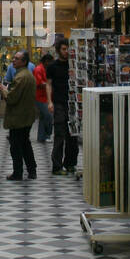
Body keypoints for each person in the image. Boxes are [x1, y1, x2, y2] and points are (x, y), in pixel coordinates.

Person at [2, 49, 37, 180]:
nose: (13, 60)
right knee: (25, 143)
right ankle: (32, 170)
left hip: (18, 117)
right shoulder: (26, 75)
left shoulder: (21, 77)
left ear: (24, 62)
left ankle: (18, 172)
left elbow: (12, 98)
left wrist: (4, 90)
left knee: (16, 146)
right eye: (14, 58)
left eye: (16, 59)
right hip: (25, 116)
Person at [47, 38, 78, 175]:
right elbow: (48, 84)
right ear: (59, 50)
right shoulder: (53, 66)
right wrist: (50, 102)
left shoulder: (73, 65)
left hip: (72, 103)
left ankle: (70, 163)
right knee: (59, 135)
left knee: (73, 136)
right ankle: (57, 166)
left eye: (68, 49)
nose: (66, 52)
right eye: (64, 49)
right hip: (59, 103)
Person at [35, 51, 54, 143]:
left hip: (46, 97)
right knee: (48, 116)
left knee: (43, 117)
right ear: (46, 61)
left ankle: (41, 137)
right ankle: (47, 134)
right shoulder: (39, 69)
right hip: (40, 97)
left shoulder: (47, 69)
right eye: (50, 62)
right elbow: (39, 83)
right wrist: (49, 85)